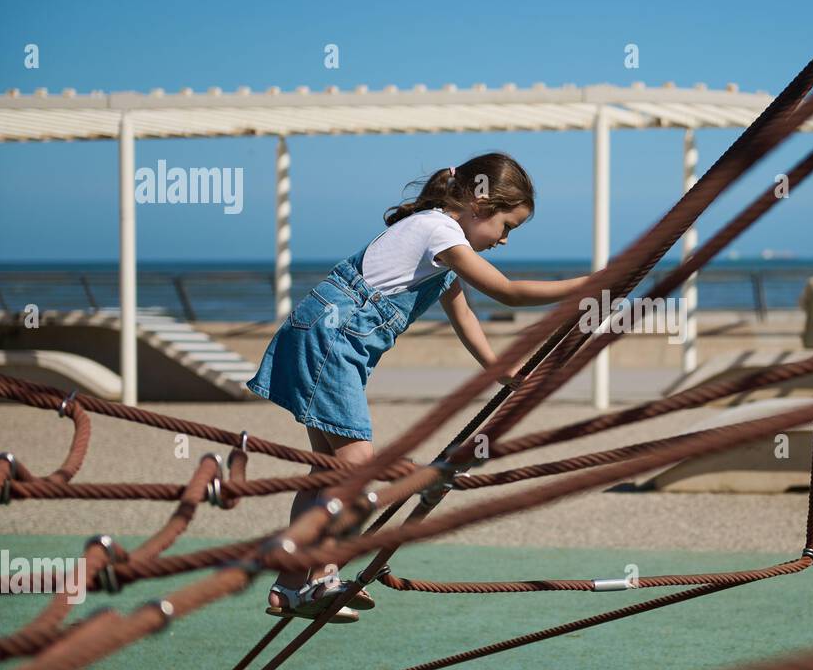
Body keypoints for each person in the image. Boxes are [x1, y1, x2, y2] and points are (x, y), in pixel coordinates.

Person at [246, 152, 591, 622]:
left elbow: (464, 314)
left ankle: (288, 587)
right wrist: (589, 284)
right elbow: (506, 292)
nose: (505, 240)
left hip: (324, 335)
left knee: (327, 472)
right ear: (477, 201)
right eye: (507, 225)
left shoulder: (441, 246)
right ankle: (323, 573)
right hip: (333, 337)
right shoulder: (440, 232)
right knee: (358, 467)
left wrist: (499, 370)